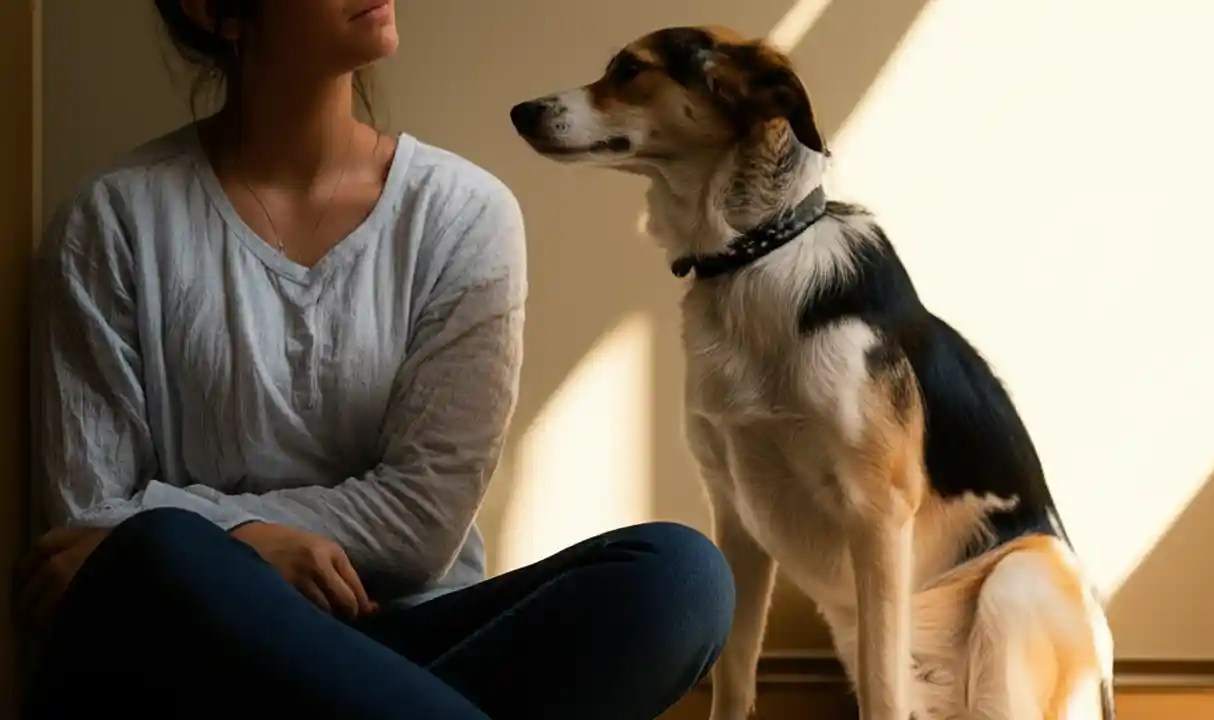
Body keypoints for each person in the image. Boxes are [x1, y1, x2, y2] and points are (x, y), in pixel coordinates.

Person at [13, 1, 734, 717]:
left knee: (682, 577)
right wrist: (232, 551)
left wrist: (236, 538)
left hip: (413, 641)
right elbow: (87, 522)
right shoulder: (111, 220)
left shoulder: (460, 213)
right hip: (202, 661)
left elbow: (421, 520)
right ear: (218, 10)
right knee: (162, 553)